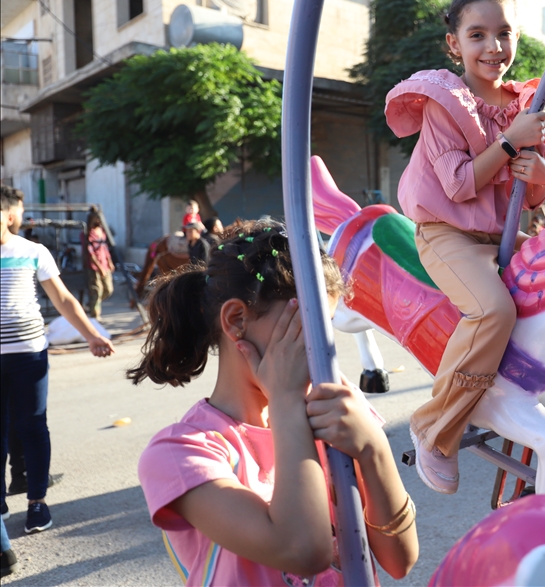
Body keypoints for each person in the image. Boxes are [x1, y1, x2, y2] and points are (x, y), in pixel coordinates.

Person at [131, 221, 418, 582]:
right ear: (237, 320)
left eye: (328, 329)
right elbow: (302, 551)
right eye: (308, 329)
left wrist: (374, 449)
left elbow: (399, 561)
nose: (323, 350)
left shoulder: (337, 414)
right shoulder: (180, 453)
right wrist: (285, 400)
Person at [383, 0, 545, 494]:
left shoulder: (523, 103)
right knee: (494, 311)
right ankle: (433, 427)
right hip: (448, 233)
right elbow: (459, 185)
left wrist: (540, 172)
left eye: (504, 33)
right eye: (477, 34)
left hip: (499, 233)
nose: (493, 46)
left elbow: (531, 195)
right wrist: (510, 142)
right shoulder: (444, 101)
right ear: (454, 44)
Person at [1, 185, 115, 534]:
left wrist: (92, 335)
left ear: (7, 216)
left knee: (33, 425)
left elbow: (64, 299)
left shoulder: (33, 251)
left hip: (29, 354)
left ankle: (37, 502)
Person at [80, 210, 114, 319]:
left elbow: (105, 248)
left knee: (108, 289)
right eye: (97, 218)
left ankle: (91, 305)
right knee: (96, 290)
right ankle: (95, 316)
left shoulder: (102, 231)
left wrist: (109, 262)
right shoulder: (86, 233)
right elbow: (90, 253)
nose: (99, 221)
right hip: (93, 267)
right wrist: (99, 267)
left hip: (105, 264)